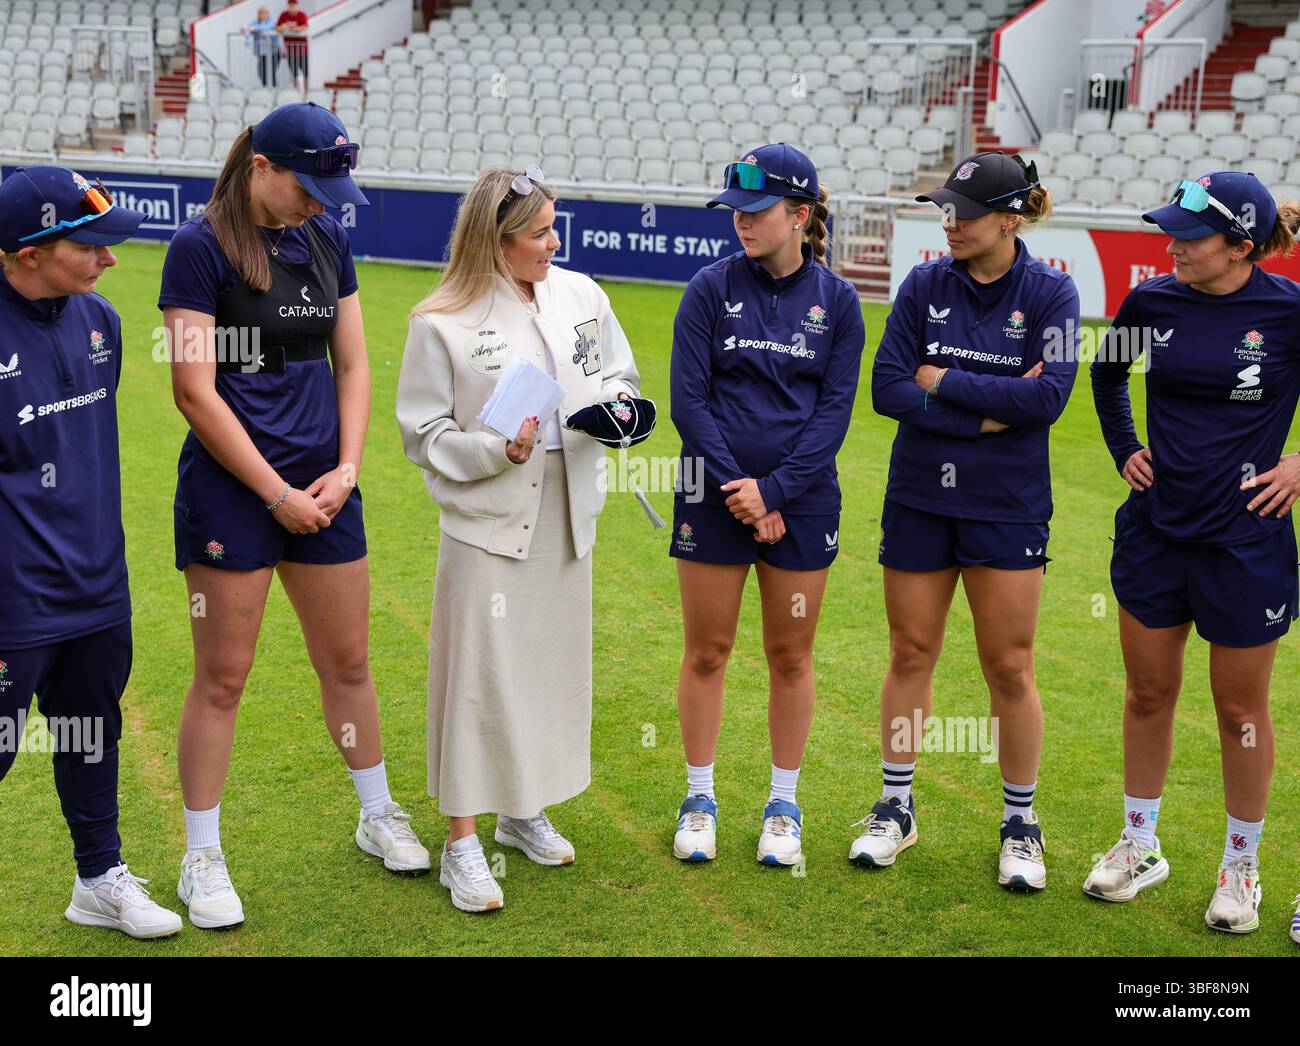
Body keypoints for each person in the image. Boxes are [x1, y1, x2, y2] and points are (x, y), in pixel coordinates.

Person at [159, 102, 428, 930]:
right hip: (235, 494)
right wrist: (274, 492)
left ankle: (376, 812)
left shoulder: (326, 240)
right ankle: (200, 855)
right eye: (308, 187)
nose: (321, 202)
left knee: (349, 662)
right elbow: (192, 389)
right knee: (224, 677)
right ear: (261, 168)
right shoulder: (197, 247)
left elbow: (353, 364)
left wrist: (345, 470)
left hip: (326, 488)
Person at [396, 164, 641, 913]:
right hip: (487, 525)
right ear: (495, 241)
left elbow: (617, 372)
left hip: (568, 521)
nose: (553, 242)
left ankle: (520, 809)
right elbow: (424, 435)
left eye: (552, 227)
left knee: (544, 674)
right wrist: (493, 450)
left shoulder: (581, 294)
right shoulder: (440, 319)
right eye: (538, 233)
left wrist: (625, 410)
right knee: (474, 684)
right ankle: (461, 844)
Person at [1086, 171, 1300, 939]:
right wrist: (1124, 448)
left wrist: (1299, 463)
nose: (1171, 244)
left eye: (1190, 234)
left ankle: (1240, 866)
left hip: (1245, 544)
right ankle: (1140, 845)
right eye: (1170, 229)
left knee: (1240, 709)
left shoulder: (1287, 311)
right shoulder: (1151, 302)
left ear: (1241, 246)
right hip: (1155, 534)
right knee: (1147, 694)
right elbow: (1108, 373)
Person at [865, 152, 1078, 891]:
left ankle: (1021, 823)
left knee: (1010, 667)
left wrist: (944, 381)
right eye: (945, 211)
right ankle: (895, 807)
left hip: (1007, 506)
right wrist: (985, 416)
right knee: (910, 652)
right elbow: (887, 387)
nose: (950, 224)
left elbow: (1048, 398)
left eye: (966, 213)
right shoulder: (925, 283)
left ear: (1010, 221)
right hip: (920, 496)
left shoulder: (1052, 293)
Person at [668, 144, 866, 867]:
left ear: (800, 215)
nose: (741, 224)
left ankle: (783, 804)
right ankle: (699, 797)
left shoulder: (839, 303)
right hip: (713, 496)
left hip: (801, 504)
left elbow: (833, 415)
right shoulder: (707, 288)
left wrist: (776, 492)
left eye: (756, 212)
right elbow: (690, 400)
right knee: (708, 650)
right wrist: (744, 495)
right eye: (735, 212)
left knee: (791, 656)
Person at [0, 165, 182, 939]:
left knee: (90, 735)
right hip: (13, 604)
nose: (109, 260)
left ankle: (98, 879)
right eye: (90, 247)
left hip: (99, 591)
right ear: (28, 251)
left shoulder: (99, 322)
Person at [243, 6, 282, 88]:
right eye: (261, 13)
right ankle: (266, 89)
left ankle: (273, 90)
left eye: (265, 13)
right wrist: (247, 36)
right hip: (263, 53)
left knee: (271, 72)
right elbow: (246, 29)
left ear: (268, 14)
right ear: (259, 14)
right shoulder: (255, 23)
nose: (263, 15)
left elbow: (264, 28)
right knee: (261, 72)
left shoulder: (272, 21)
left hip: (274, 51)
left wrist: (253, 29)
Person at [276, 0, 309, 90]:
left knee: (306, 73)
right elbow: (278, 27)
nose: (292, 7)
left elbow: (305, 27)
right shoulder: (283, 15)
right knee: (294, 72)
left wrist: (294, 29)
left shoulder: (302, 14)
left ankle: (306, 92)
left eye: (294, 5)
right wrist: (283, 27)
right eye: (290, 5)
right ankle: (296, 92)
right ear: (288, 5)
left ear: (297, 5)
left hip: (302, 50)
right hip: (290, 50)